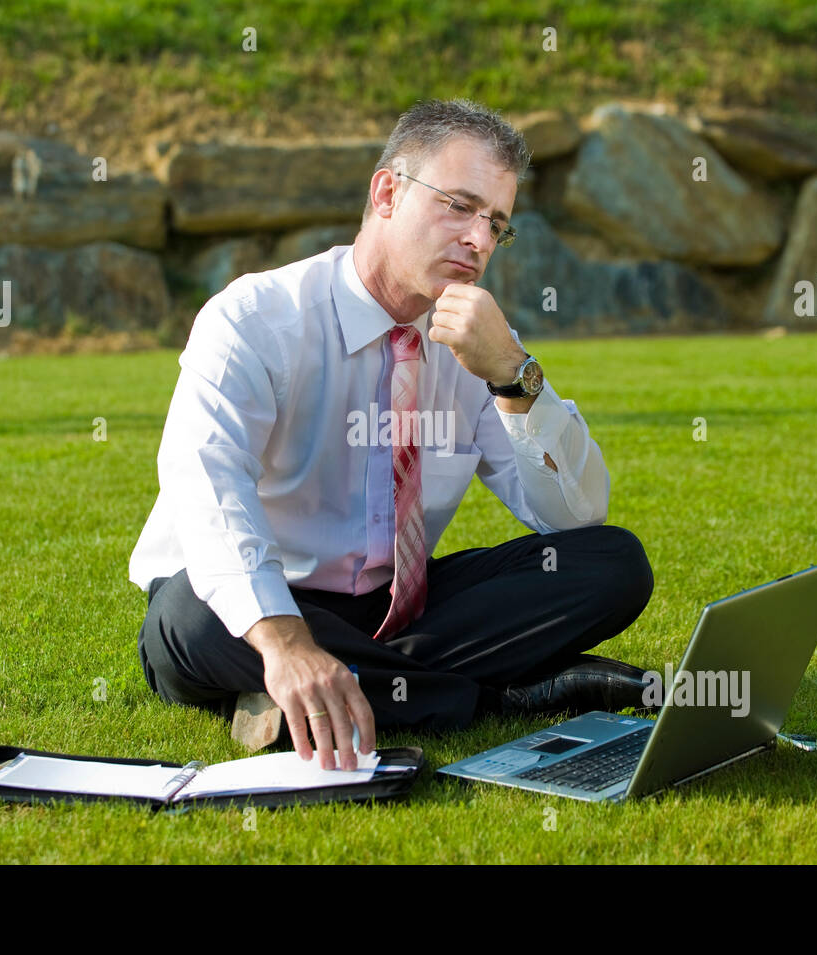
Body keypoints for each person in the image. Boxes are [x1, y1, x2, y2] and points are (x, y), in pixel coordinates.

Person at [130, 98, 655, 772]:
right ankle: (506, 694)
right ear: (387, 192)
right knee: (191, 616)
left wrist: (516, 378)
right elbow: (206, 489)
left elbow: (576, 518)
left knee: (612, 564)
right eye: (459, 206)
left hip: (397, 610)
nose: (479, 240)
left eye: (497, 223)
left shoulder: (479, 344)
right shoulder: (256, 319)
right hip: (256, 597)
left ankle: (323, 689)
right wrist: (285, 641)